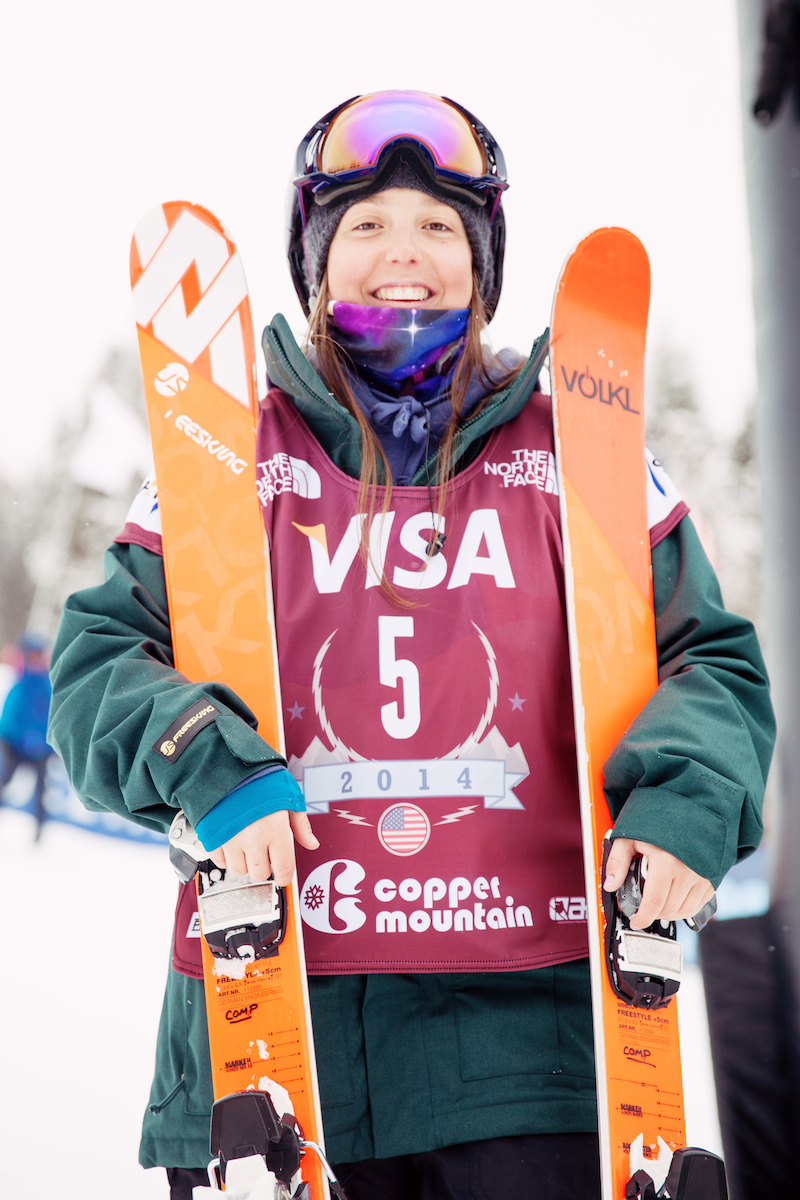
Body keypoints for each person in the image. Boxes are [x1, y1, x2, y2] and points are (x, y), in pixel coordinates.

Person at [48, 91, 774, 1200]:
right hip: (278, 1033)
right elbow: (98, 660)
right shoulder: (229, 459)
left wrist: (681, 803)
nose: (405, 255)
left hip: (534, 1053)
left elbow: (707, 661)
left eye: (439, 227)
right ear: (316, 263)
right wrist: (208, 762)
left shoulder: (579, 456)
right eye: (366, 227)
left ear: (481, 266)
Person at [1, 632, 54, 840]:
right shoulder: (19, 683)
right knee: (2, 781)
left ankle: (39, 830)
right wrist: (15, 739)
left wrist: (43, 742)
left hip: (40, 749)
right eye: (31, 655)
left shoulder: (47, 685)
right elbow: (9, 717)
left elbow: (51, 717)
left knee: (41, 790)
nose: (35, 660)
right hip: (14, 746)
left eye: (37, 656)